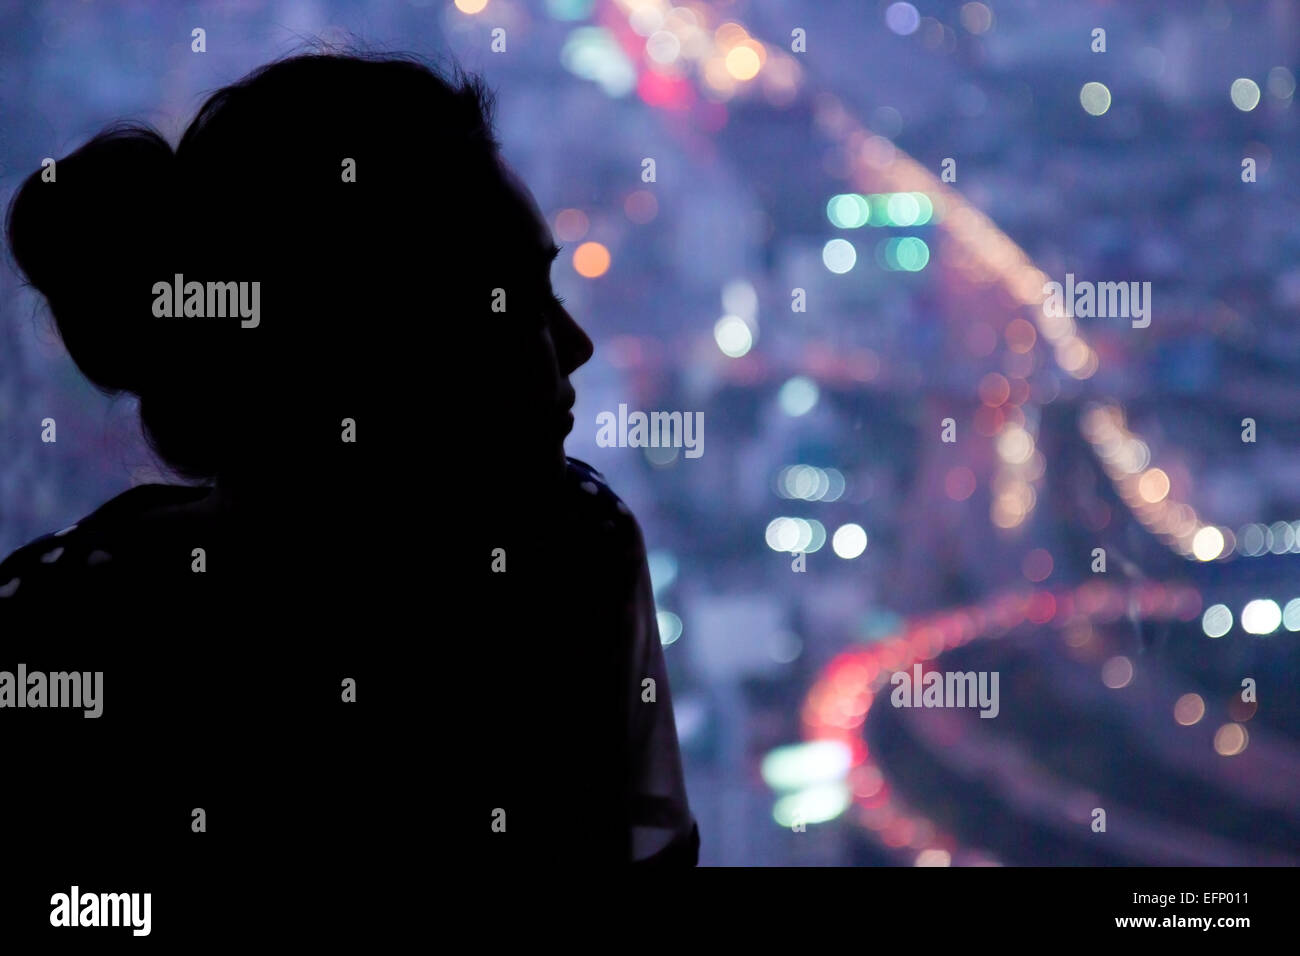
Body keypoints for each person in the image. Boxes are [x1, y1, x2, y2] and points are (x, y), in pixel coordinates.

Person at [1, 51, 697, 879]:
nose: (576, 347)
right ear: (363, 353)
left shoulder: (68, 625)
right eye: (511, 307)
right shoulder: (565, 565)